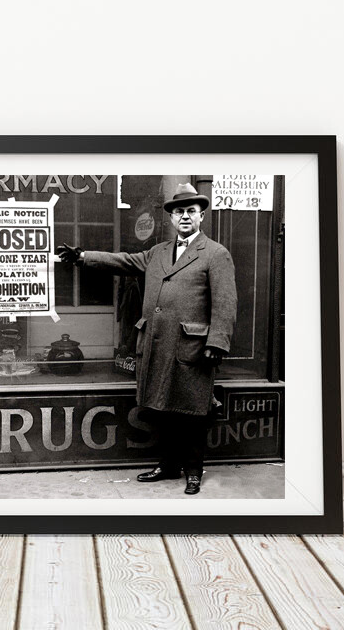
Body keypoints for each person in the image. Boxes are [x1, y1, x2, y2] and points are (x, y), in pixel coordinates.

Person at [57, 183, 237, 494]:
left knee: (193, 413)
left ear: (201, 216)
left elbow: (225, 301)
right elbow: (124, 262)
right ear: (170, 218)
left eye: (190, 211)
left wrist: (217, 343)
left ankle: (193, 471)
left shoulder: (216, 253)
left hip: (192, 348)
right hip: (157, 344)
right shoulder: (158, 252)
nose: (184, 217)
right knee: (161, 410)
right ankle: (167, 466)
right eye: (178, 211)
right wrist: (83, 256)